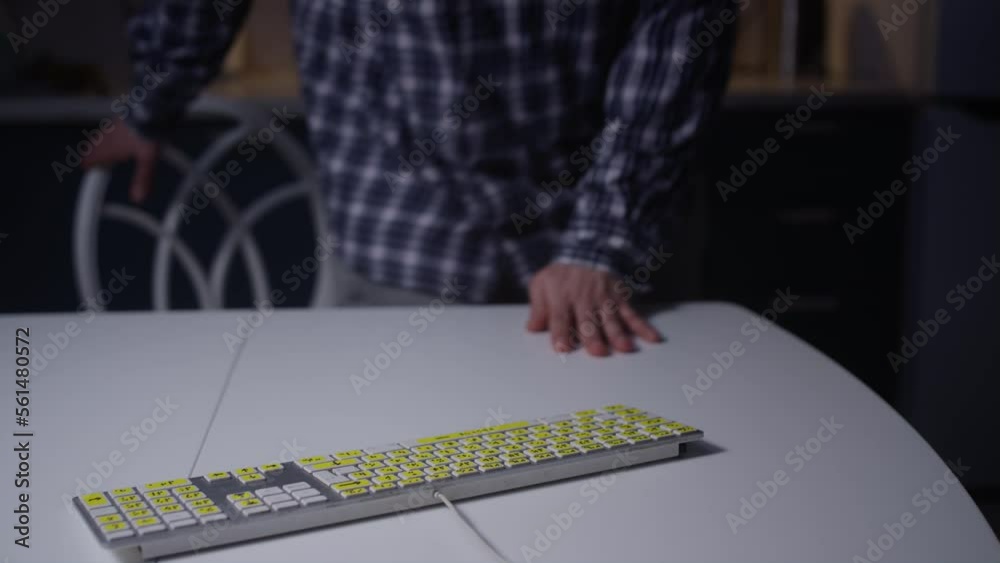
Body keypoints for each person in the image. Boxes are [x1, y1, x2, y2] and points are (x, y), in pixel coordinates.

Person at [83, 0, 735, 357]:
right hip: (410, 238)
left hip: (615, 240)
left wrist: (602, 238)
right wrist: (154, 98)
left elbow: (683, 27)